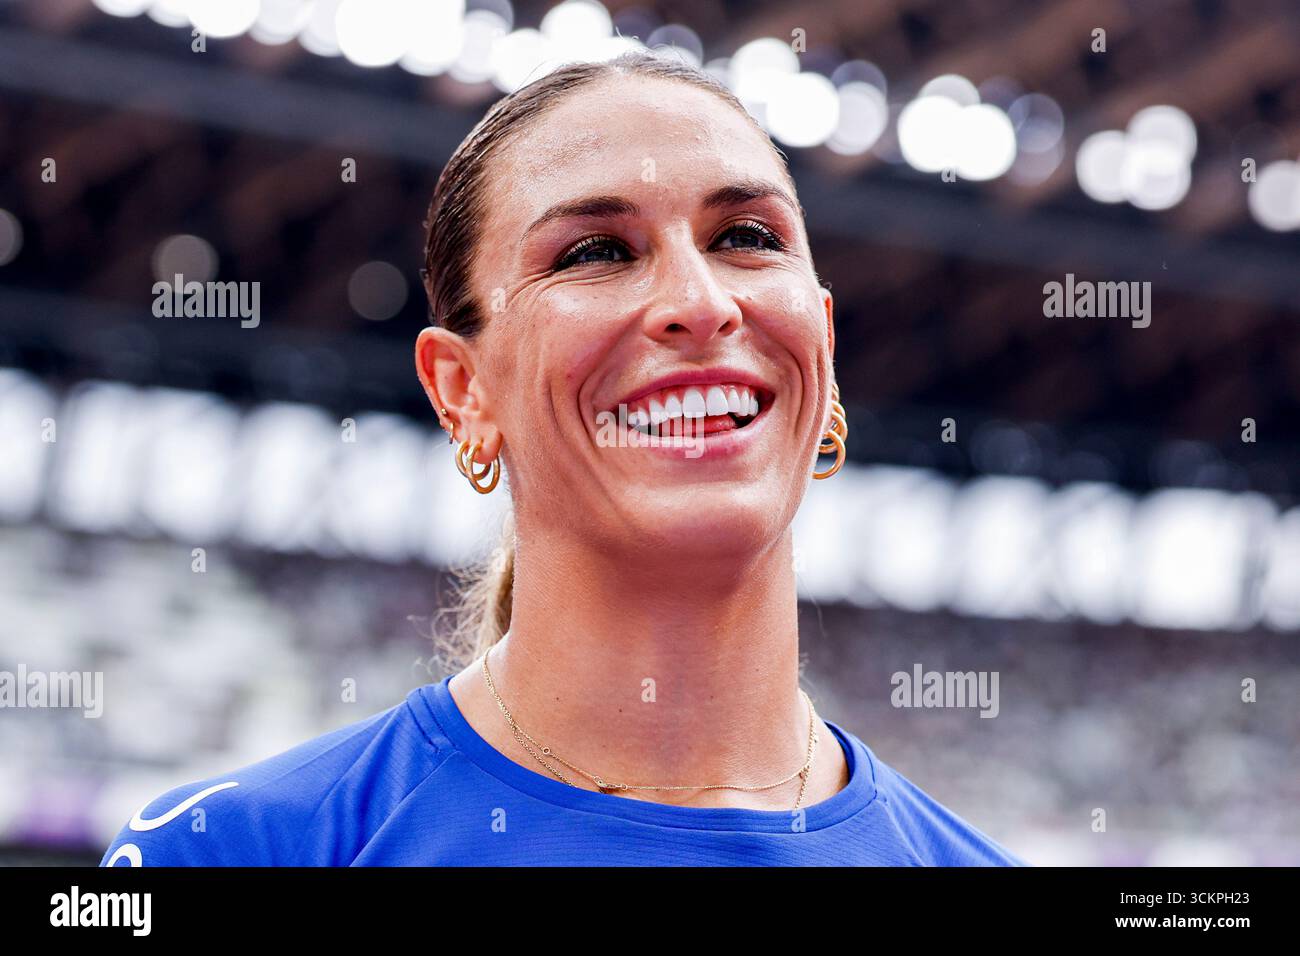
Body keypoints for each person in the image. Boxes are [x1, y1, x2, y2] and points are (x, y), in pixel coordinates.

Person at [101, 51, 1026, 867]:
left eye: (746, 236)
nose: (700, 304)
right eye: (594, 251)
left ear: (821, 343)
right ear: (463, 391)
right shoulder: (232, 853)